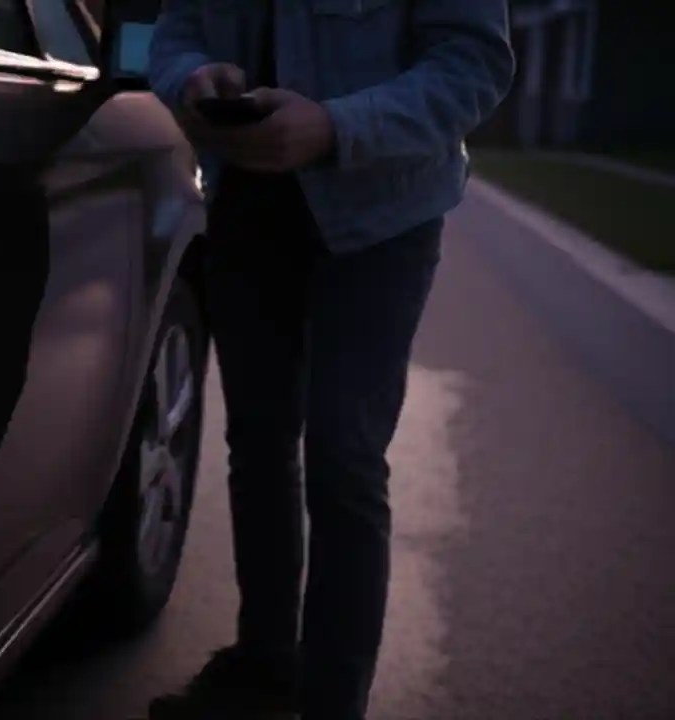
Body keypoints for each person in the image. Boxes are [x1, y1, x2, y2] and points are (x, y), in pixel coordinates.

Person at [145, 1, 514, 719]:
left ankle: (332, 703)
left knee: (344, 458)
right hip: (247, 208)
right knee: (256, 442)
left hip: (383, 219)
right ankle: (263, 667)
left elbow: (475, 63)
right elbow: (178, 29)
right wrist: (191, 75)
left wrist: (336, 128)